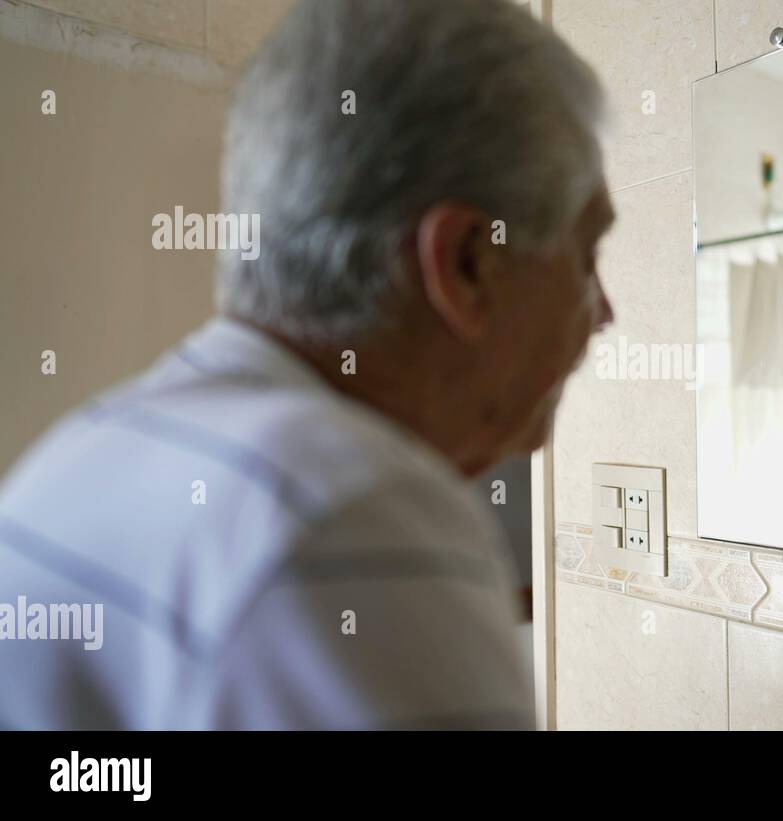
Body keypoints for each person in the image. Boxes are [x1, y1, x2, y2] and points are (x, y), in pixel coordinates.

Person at [0, 0, 614, 729]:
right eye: (586, 255)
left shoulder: (77, 453)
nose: (603, 311)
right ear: (466, 263)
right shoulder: (353, 513)